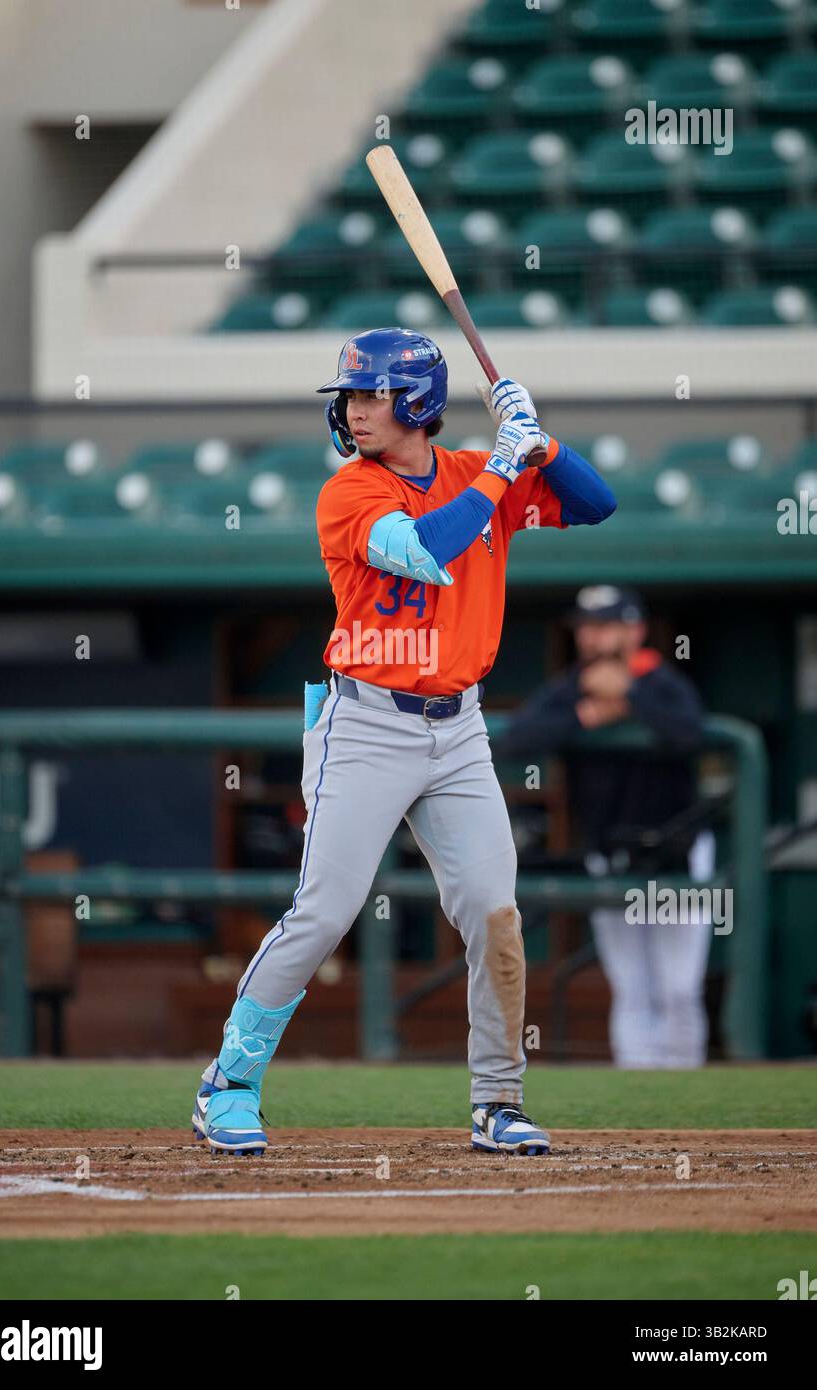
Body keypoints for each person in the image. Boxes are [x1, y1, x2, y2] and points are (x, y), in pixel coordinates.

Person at [192, 327, 616, 1156]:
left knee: (496, 915)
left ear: (416, 402)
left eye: (369, 394)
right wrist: (504, 466)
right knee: (323, 913)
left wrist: (543, 443)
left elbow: (597, 503)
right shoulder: (349, 492)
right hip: (367, 722)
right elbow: (426, 551)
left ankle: (498, 1100)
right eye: (348, 396)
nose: (353, 410)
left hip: (459, 731)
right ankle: (228, 1085)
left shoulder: (468, 473)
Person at [500, 585, 714, 1069]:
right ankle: (639, 1096)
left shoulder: (660, 680)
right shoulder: (571, 688)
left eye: (607, 626)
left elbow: (690, 732)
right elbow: (517, 739)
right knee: (631, 986)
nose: (596, 638)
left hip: (674, 850)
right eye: (588, 629)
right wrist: (582, 715)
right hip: (609, 852)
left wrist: (630, 696)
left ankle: (683, 1096)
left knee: (678, 987)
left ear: (634, 630)